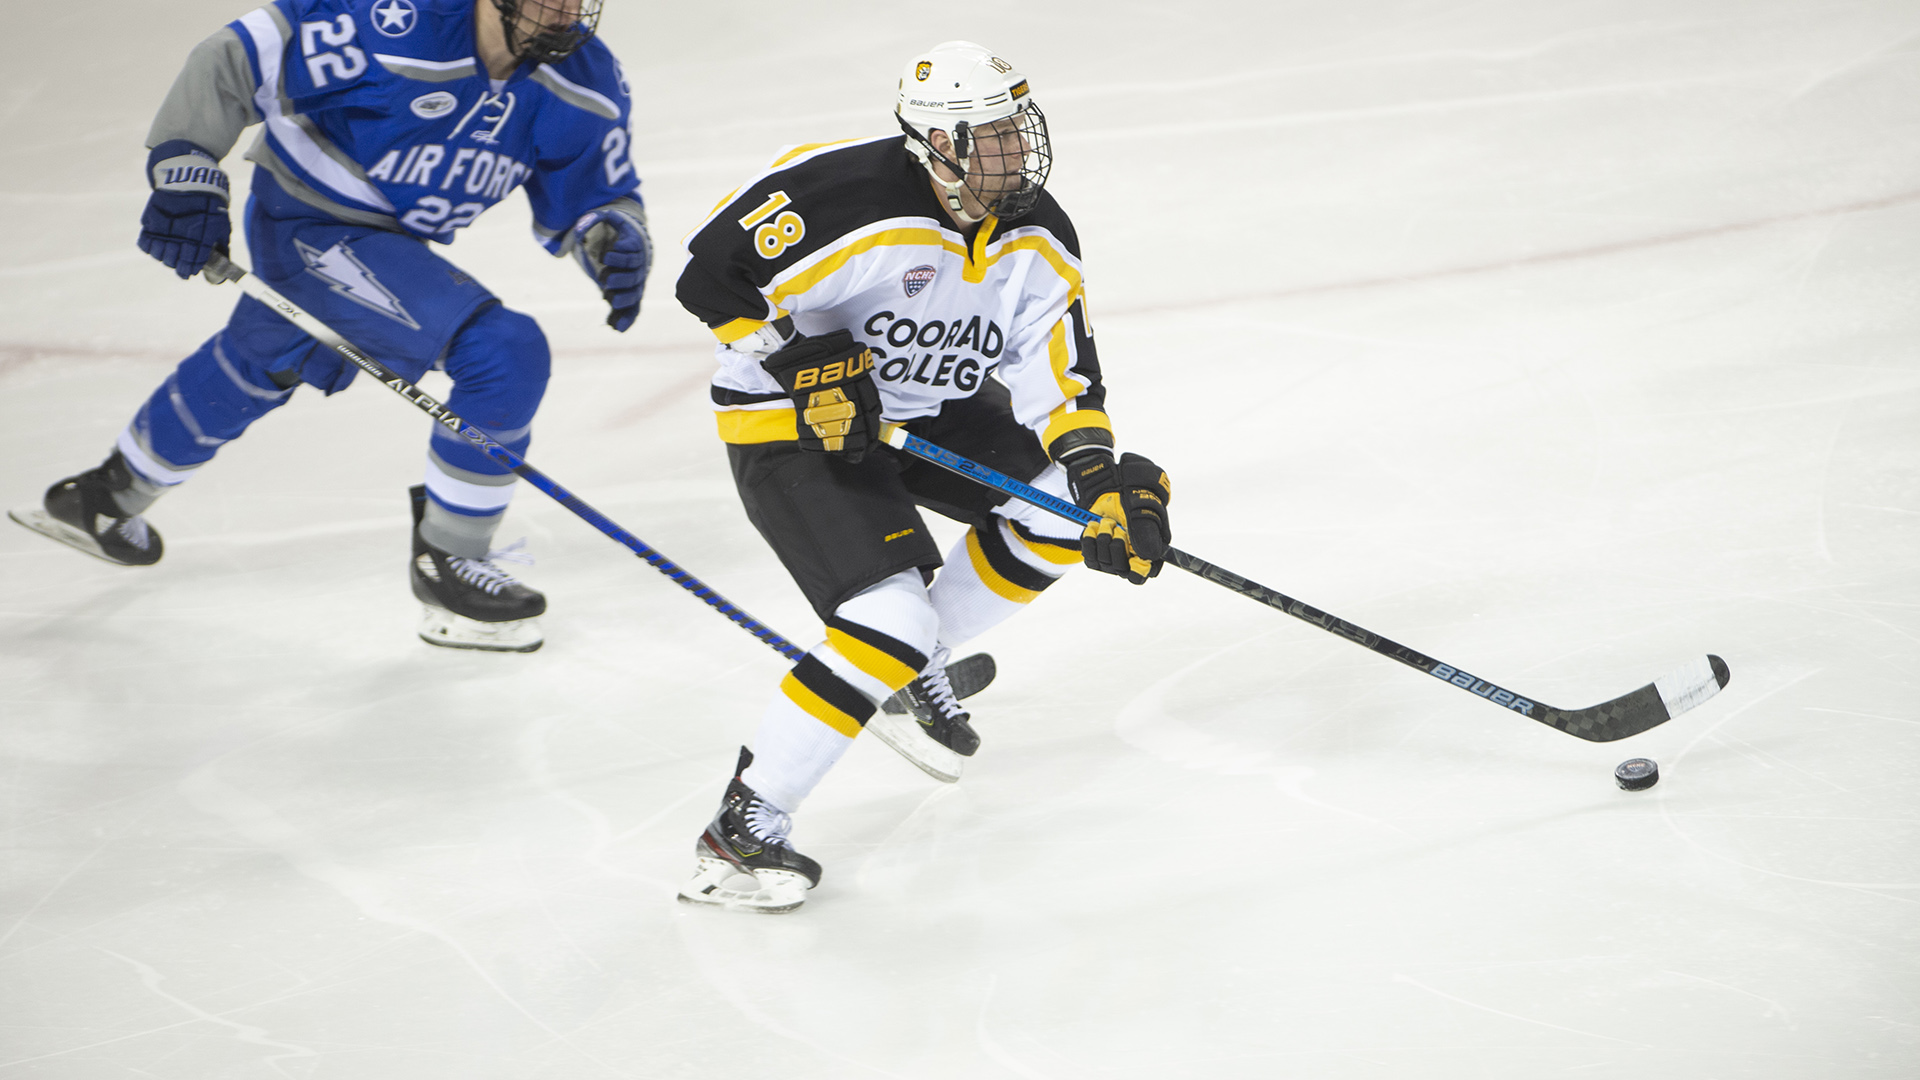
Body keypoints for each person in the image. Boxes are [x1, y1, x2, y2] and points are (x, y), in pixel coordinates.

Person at [672, 41, 1174, 912]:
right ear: (938, 143)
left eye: (1017, 128)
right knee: (887, 624)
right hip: (796, 423)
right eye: (993, 134)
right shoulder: (846, 200)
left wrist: (1099, 482)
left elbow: (1064, 380)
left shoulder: (1038, 232)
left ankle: (912, 667)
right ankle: (741, 829)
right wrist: (795, 361)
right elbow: (711, 276)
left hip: (927, 405)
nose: (1017, 150)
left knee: (1067, 515)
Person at [9, 0, 651, 653]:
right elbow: (234, 59)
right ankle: (450, 560)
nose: (567, 9)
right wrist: (188, 175)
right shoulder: (395, 21)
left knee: (258, 358)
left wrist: (612, 240)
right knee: (505, 352)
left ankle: (104, 498)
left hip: (389, 243)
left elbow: (598, 194)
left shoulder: (585, 78)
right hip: (307, 226)